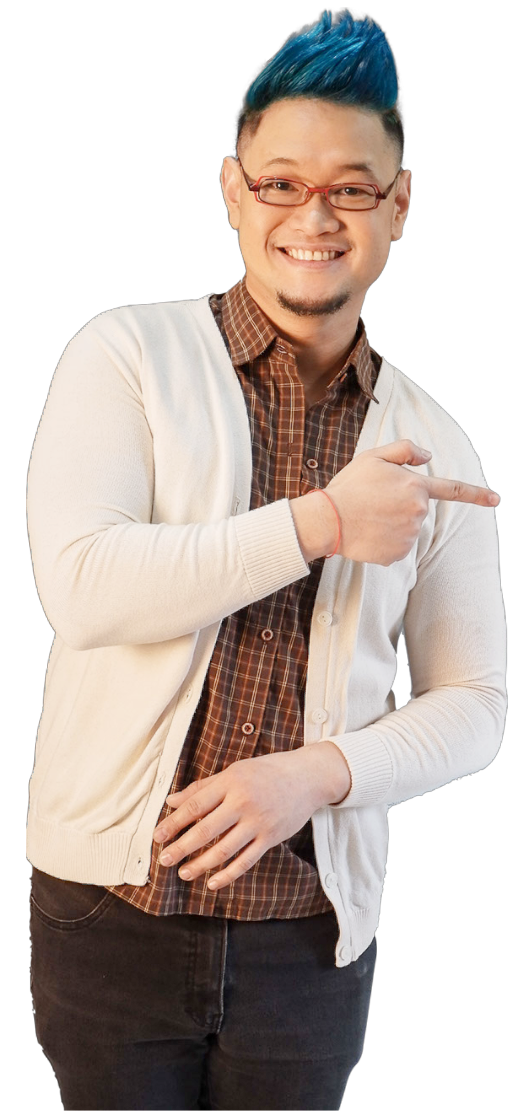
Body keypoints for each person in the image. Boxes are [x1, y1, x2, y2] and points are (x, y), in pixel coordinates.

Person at [26, 9, 506, 1111]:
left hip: (310, 932)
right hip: (109, 908)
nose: (314, 216)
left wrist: (315, 775)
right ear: (234, 194)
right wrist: (322, 522)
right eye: (282, 183)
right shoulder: (126, 355)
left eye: (351, 188)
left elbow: (476, 704)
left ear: (398, 208)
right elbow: (83, 587)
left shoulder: (435, 444)